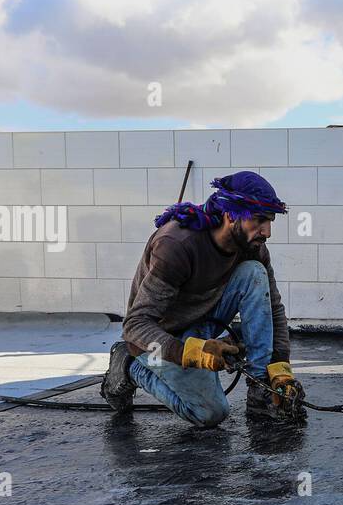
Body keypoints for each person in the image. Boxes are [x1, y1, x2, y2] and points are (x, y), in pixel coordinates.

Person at [100, 171, 304, 427]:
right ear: (231, 215)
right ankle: (130, 367)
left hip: (205, 320)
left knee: (255, 273)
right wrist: (193, 352)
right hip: (159, 337)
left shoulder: (253, 248)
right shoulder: (177, 245)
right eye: (259, 220)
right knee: (210, 413)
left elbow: (273, 309)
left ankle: (260, 389)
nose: (267, 231)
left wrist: (280, 367)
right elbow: (135, 325)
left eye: (270, 221)